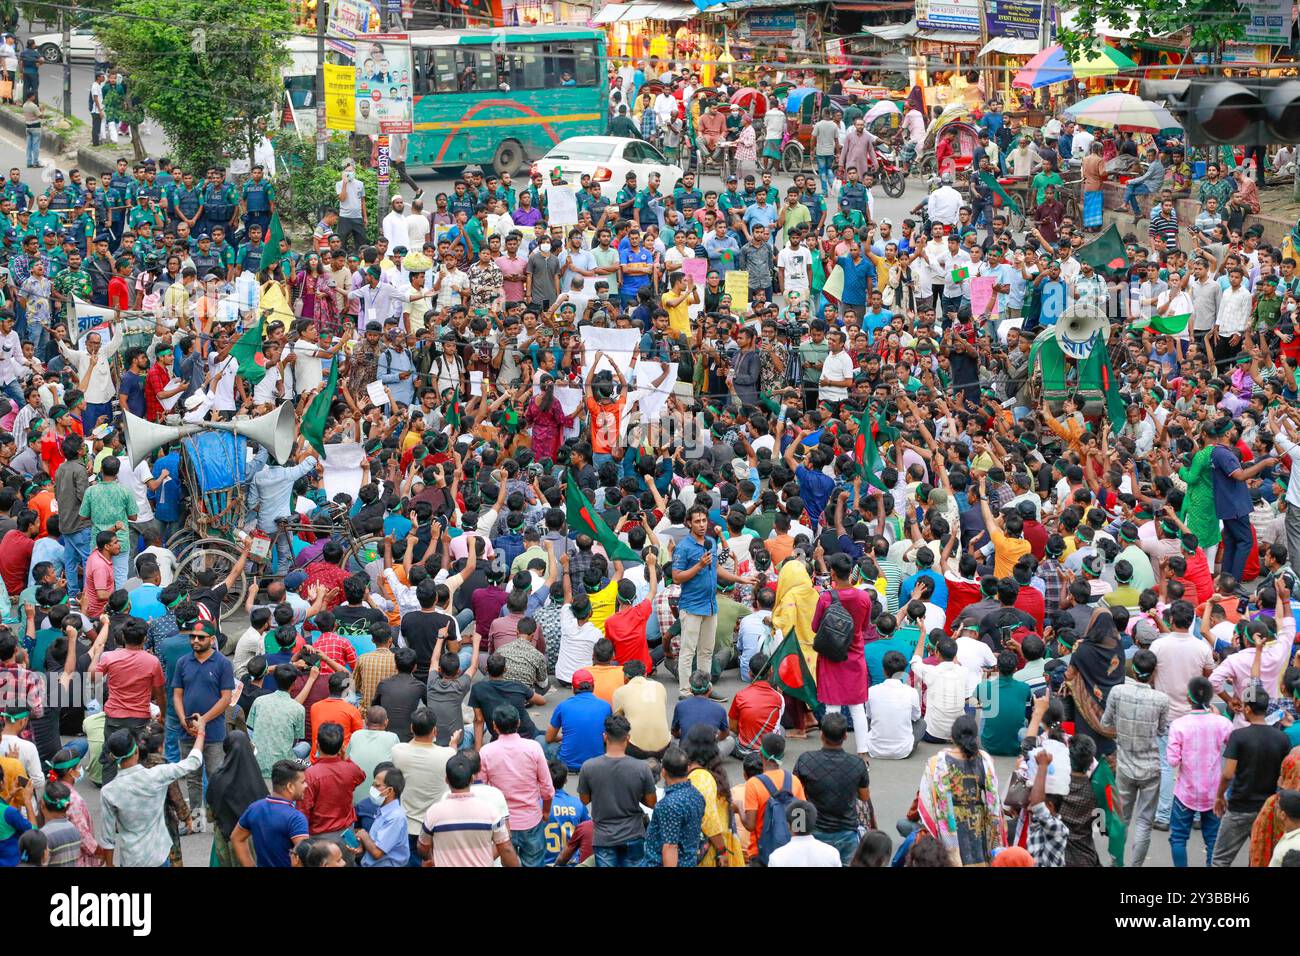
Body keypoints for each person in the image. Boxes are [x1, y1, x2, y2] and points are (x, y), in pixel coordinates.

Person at [99, 723, 207, 867]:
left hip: (131, 859)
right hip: (159, 856)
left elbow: (108, 838)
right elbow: (193, 762)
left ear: (113, 757)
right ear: (136, 751)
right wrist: (201, 732)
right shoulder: (158, 774)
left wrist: (110, 864)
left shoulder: (108, 792)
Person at [1099, 648, 1170, 867]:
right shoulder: (1161, 699)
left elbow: (1105, 723)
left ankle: (1115, 862)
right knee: (1144, 821)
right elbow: (1160, 730)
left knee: (1121, 820)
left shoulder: (1118, 692)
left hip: (1125, 766)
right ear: (1153, 672)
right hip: (1150, 767)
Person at [1211, 681, 1292, 866]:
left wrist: (1219, 796)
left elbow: (1228, 774)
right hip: (1267, 809)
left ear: (1247, 709)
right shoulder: (1282, 738)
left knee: (1221, 860)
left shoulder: (1239, 736)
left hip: (1240, 806)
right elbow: (1283, 776)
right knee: (1260, 859)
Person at [916, 714, 1005, 866]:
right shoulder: (984, 760)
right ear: (975, 736)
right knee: (979, 857)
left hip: (950, 821)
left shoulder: (938, 762)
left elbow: (926, 797)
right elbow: (993, 797)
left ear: (952, 736)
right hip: (977, 820)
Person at [578, 713, 657, 867]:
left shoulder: (589, 767)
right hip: (633, 834)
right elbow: (651, 802)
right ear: (628, 737)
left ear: (604, 736)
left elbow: (584, 800)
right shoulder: (641, 768)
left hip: (604, 837)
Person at [792, 713, 871, 865]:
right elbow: (865, 797)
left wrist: (797, 833)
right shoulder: (857, 764)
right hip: (847, 831)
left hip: (814, 831)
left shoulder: (806, 760)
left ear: (821, 734)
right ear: (845, 736)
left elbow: (796, 796)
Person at [231, 759, 309, 868]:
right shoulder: (296, 818)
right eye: (302, 782)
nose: (306, 785)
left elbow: (236, 838)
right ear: (290, 787)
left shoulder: (254, 808)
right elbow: (305, 857)